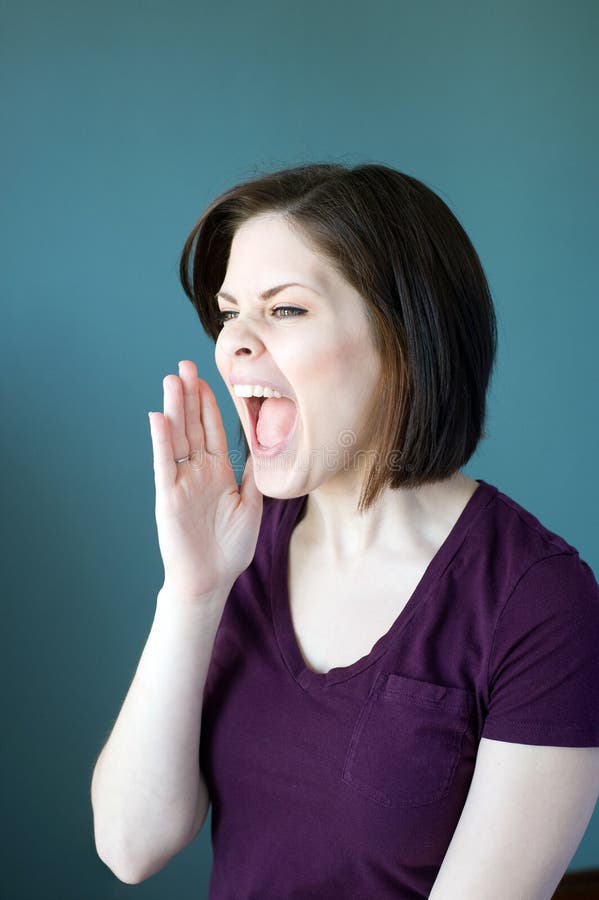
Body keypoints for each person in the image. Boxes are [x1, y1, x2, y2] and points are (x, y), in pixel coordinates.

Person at [91, 163, 599, 898]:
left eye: (285, 310)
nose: (233, 342)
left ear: (404, 337)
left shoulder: (539, 602)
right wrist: (194, 590)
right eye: (230, 312)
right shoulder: (242, 548)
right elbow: (130, 846)